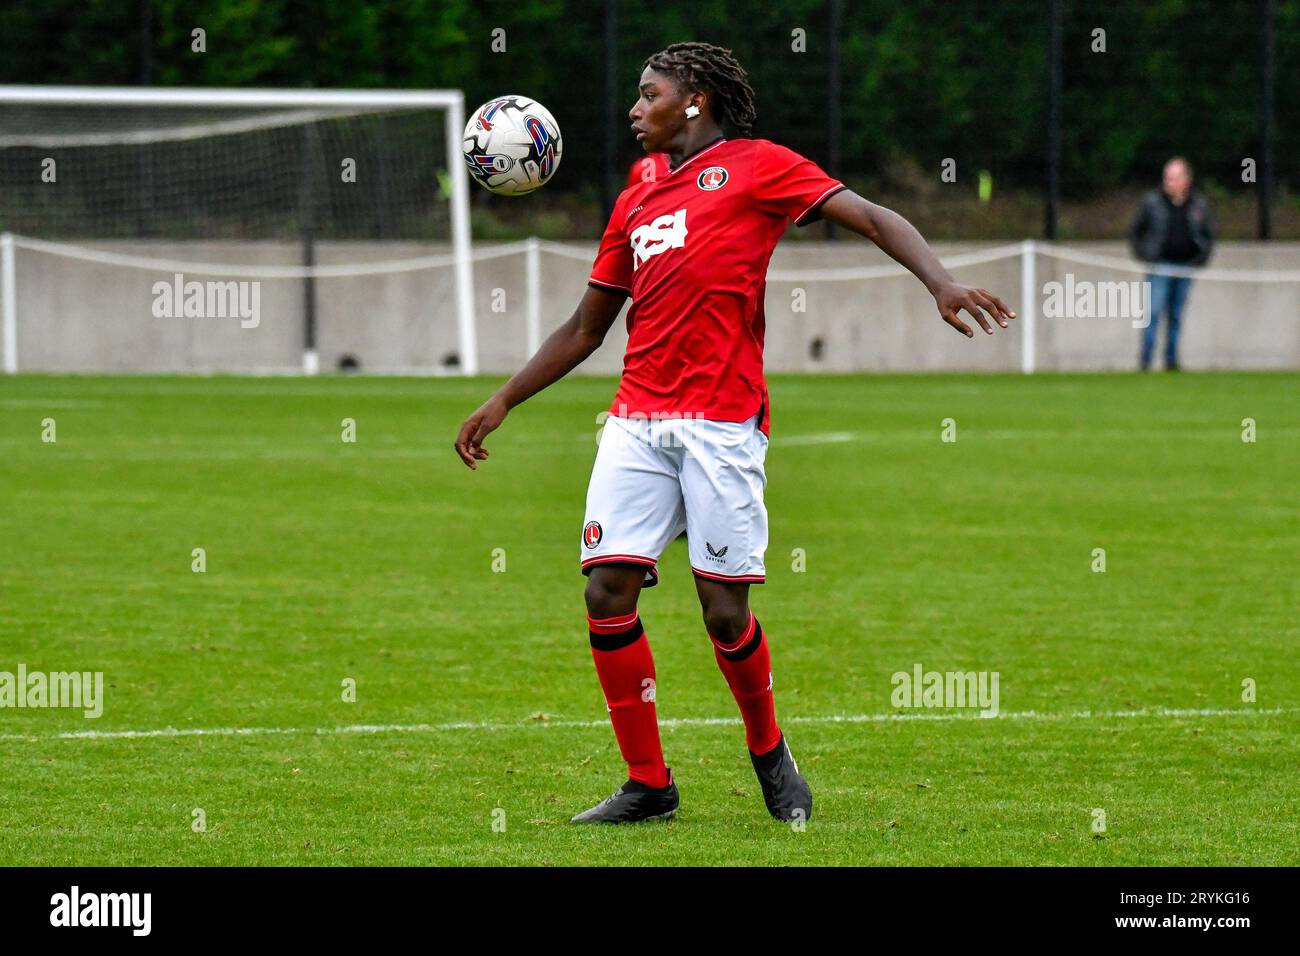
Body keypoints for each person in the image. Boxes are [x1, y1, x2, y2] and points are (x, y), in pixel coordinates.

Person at [454, 42, 1015, 825]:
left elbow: (872, 216)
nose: (633, 108)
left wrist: (940, 281)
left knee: (724, 611)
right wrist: (504, 400)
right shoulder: (636, 199)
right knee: (605, 590)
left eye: (648, 93)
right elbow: (587, 329)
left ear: (694, 100)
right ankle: (649, 783)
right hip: (637, 422)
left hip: (721, 423)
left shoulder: (758, 166)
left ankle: (769, 753)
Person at [1127, 157, 1216, 371]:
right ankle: (1145, 360)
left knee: (1176, 315)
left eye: (1175, 178)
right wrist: (1145, 255)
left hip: (1186, 266)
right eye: (1167, 178)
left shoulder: (1199, 204)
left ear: (1186, 179)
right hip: (1160, 266)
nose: (1170, 182)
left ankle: (1171, 361)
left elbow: (1209, 234)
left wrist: (1200, 258)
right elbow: (1135, 231)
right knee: (1153, 312)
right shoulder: (1152, 202)